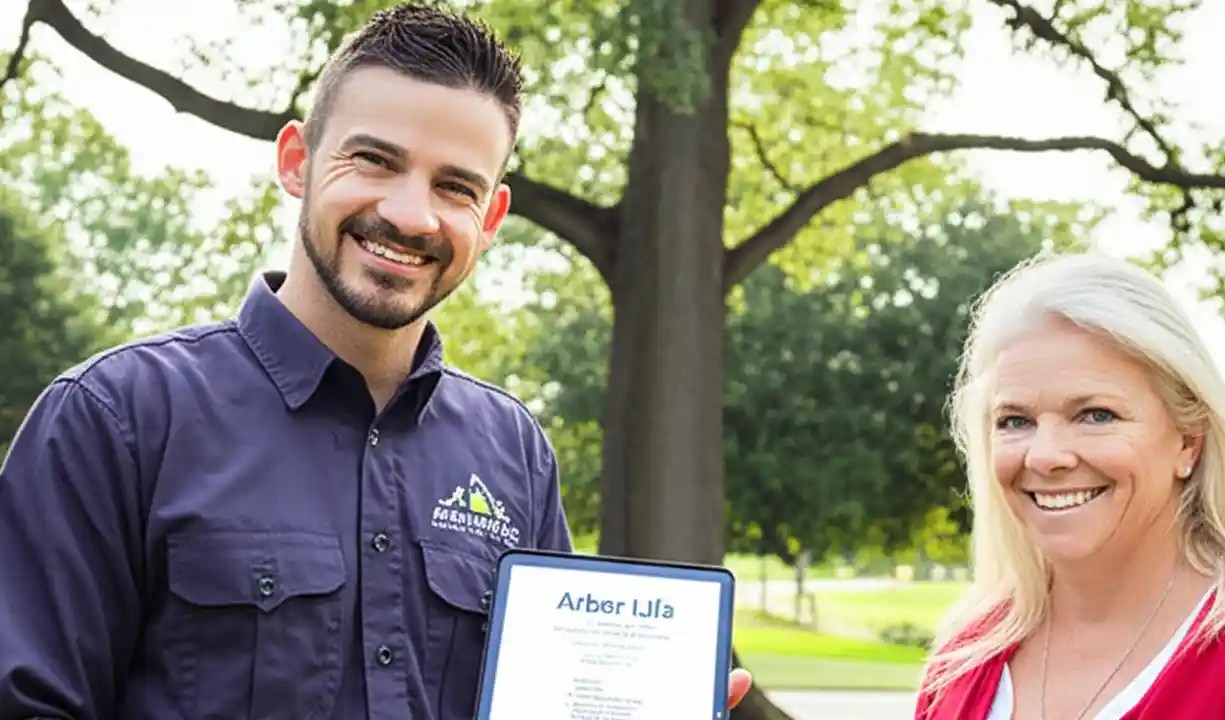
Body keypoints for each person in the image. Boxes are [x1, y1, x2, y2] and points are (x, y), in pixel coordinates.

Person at [0, 3, 750, 718]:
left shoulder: (514, 451)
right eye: (374, 160)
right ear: (297, 162)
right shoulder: (116, 417)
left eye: (455, 186)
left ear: (489, 219)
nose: (410, 214)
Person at [914, 251, 1225, 719]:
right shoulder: (962, 660)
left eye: (1096, 415)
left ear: (1188, 442)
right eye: (1015, 421)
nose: (1045, 455)